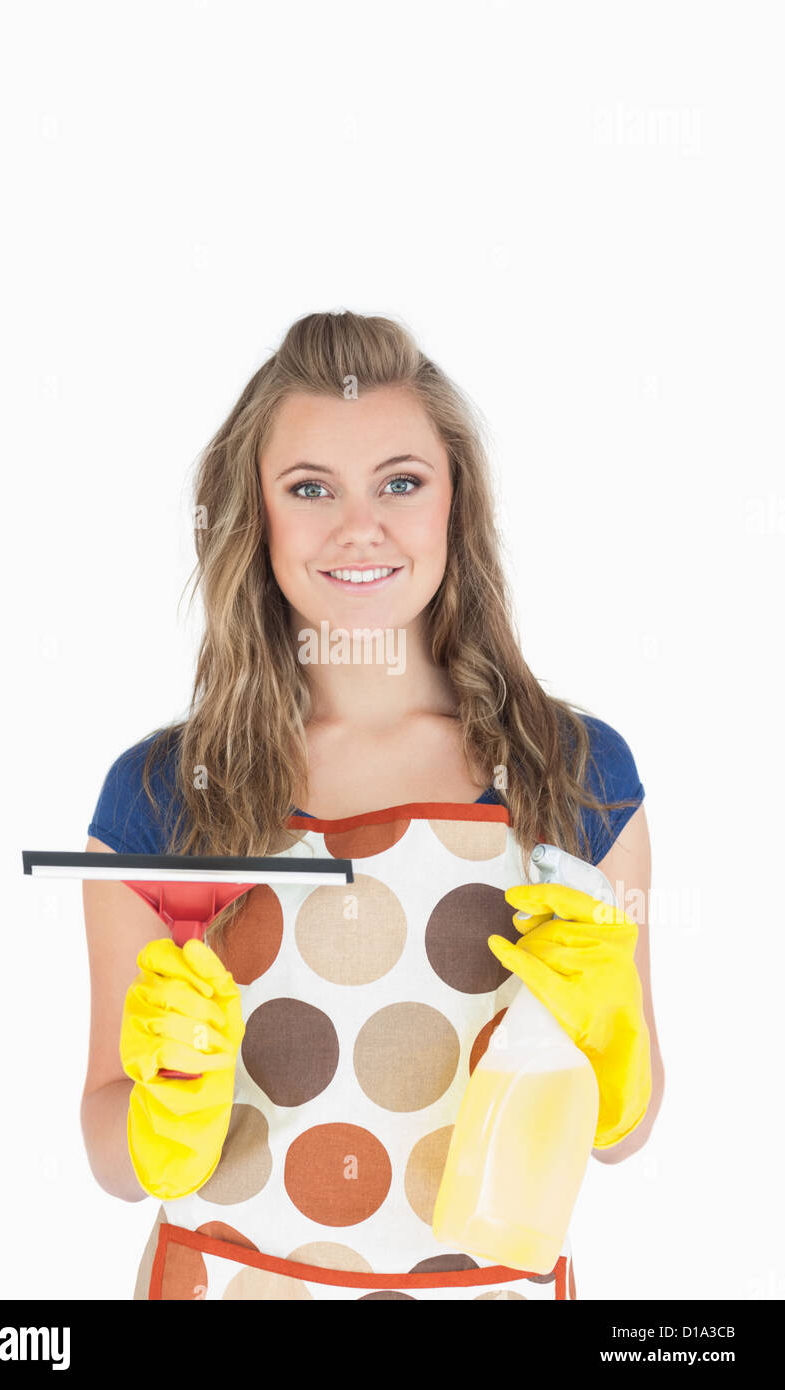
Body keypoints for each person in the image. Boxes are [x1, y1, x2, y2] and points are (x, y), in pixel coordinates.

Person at [81, 310, 665, 1300]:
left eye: (400, 481)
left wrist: (616, 1058)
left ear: (453, 505)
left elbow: (622, 1138)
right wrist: (161, 1111)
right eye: (310, 488)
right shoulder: (165, 792)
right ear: (254, 514)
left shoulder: (570, 771)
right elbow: (105, 1141)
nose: (360, 526)